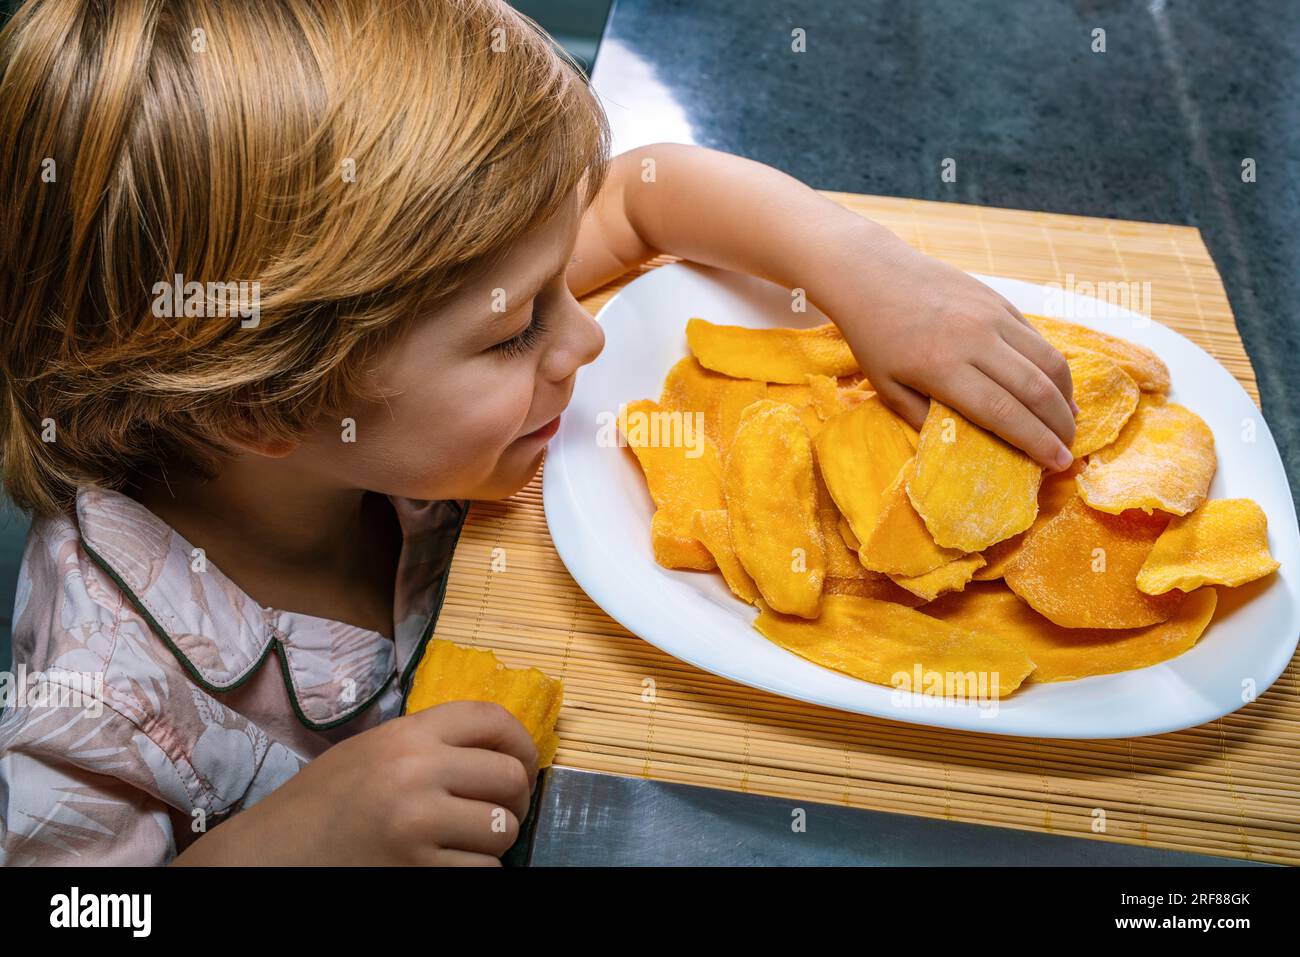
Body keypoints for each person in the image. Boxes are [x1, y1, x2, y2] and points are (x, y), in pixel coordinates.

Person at [0, 0, 1075, 865]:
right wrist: (288, 846)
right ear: (260, 405)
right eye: (517, 331)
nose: (586, 340)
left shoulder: (369, 387)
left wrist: (860, 267)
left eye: (561, 282)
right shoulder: (99, 696)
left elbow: (649, 195)